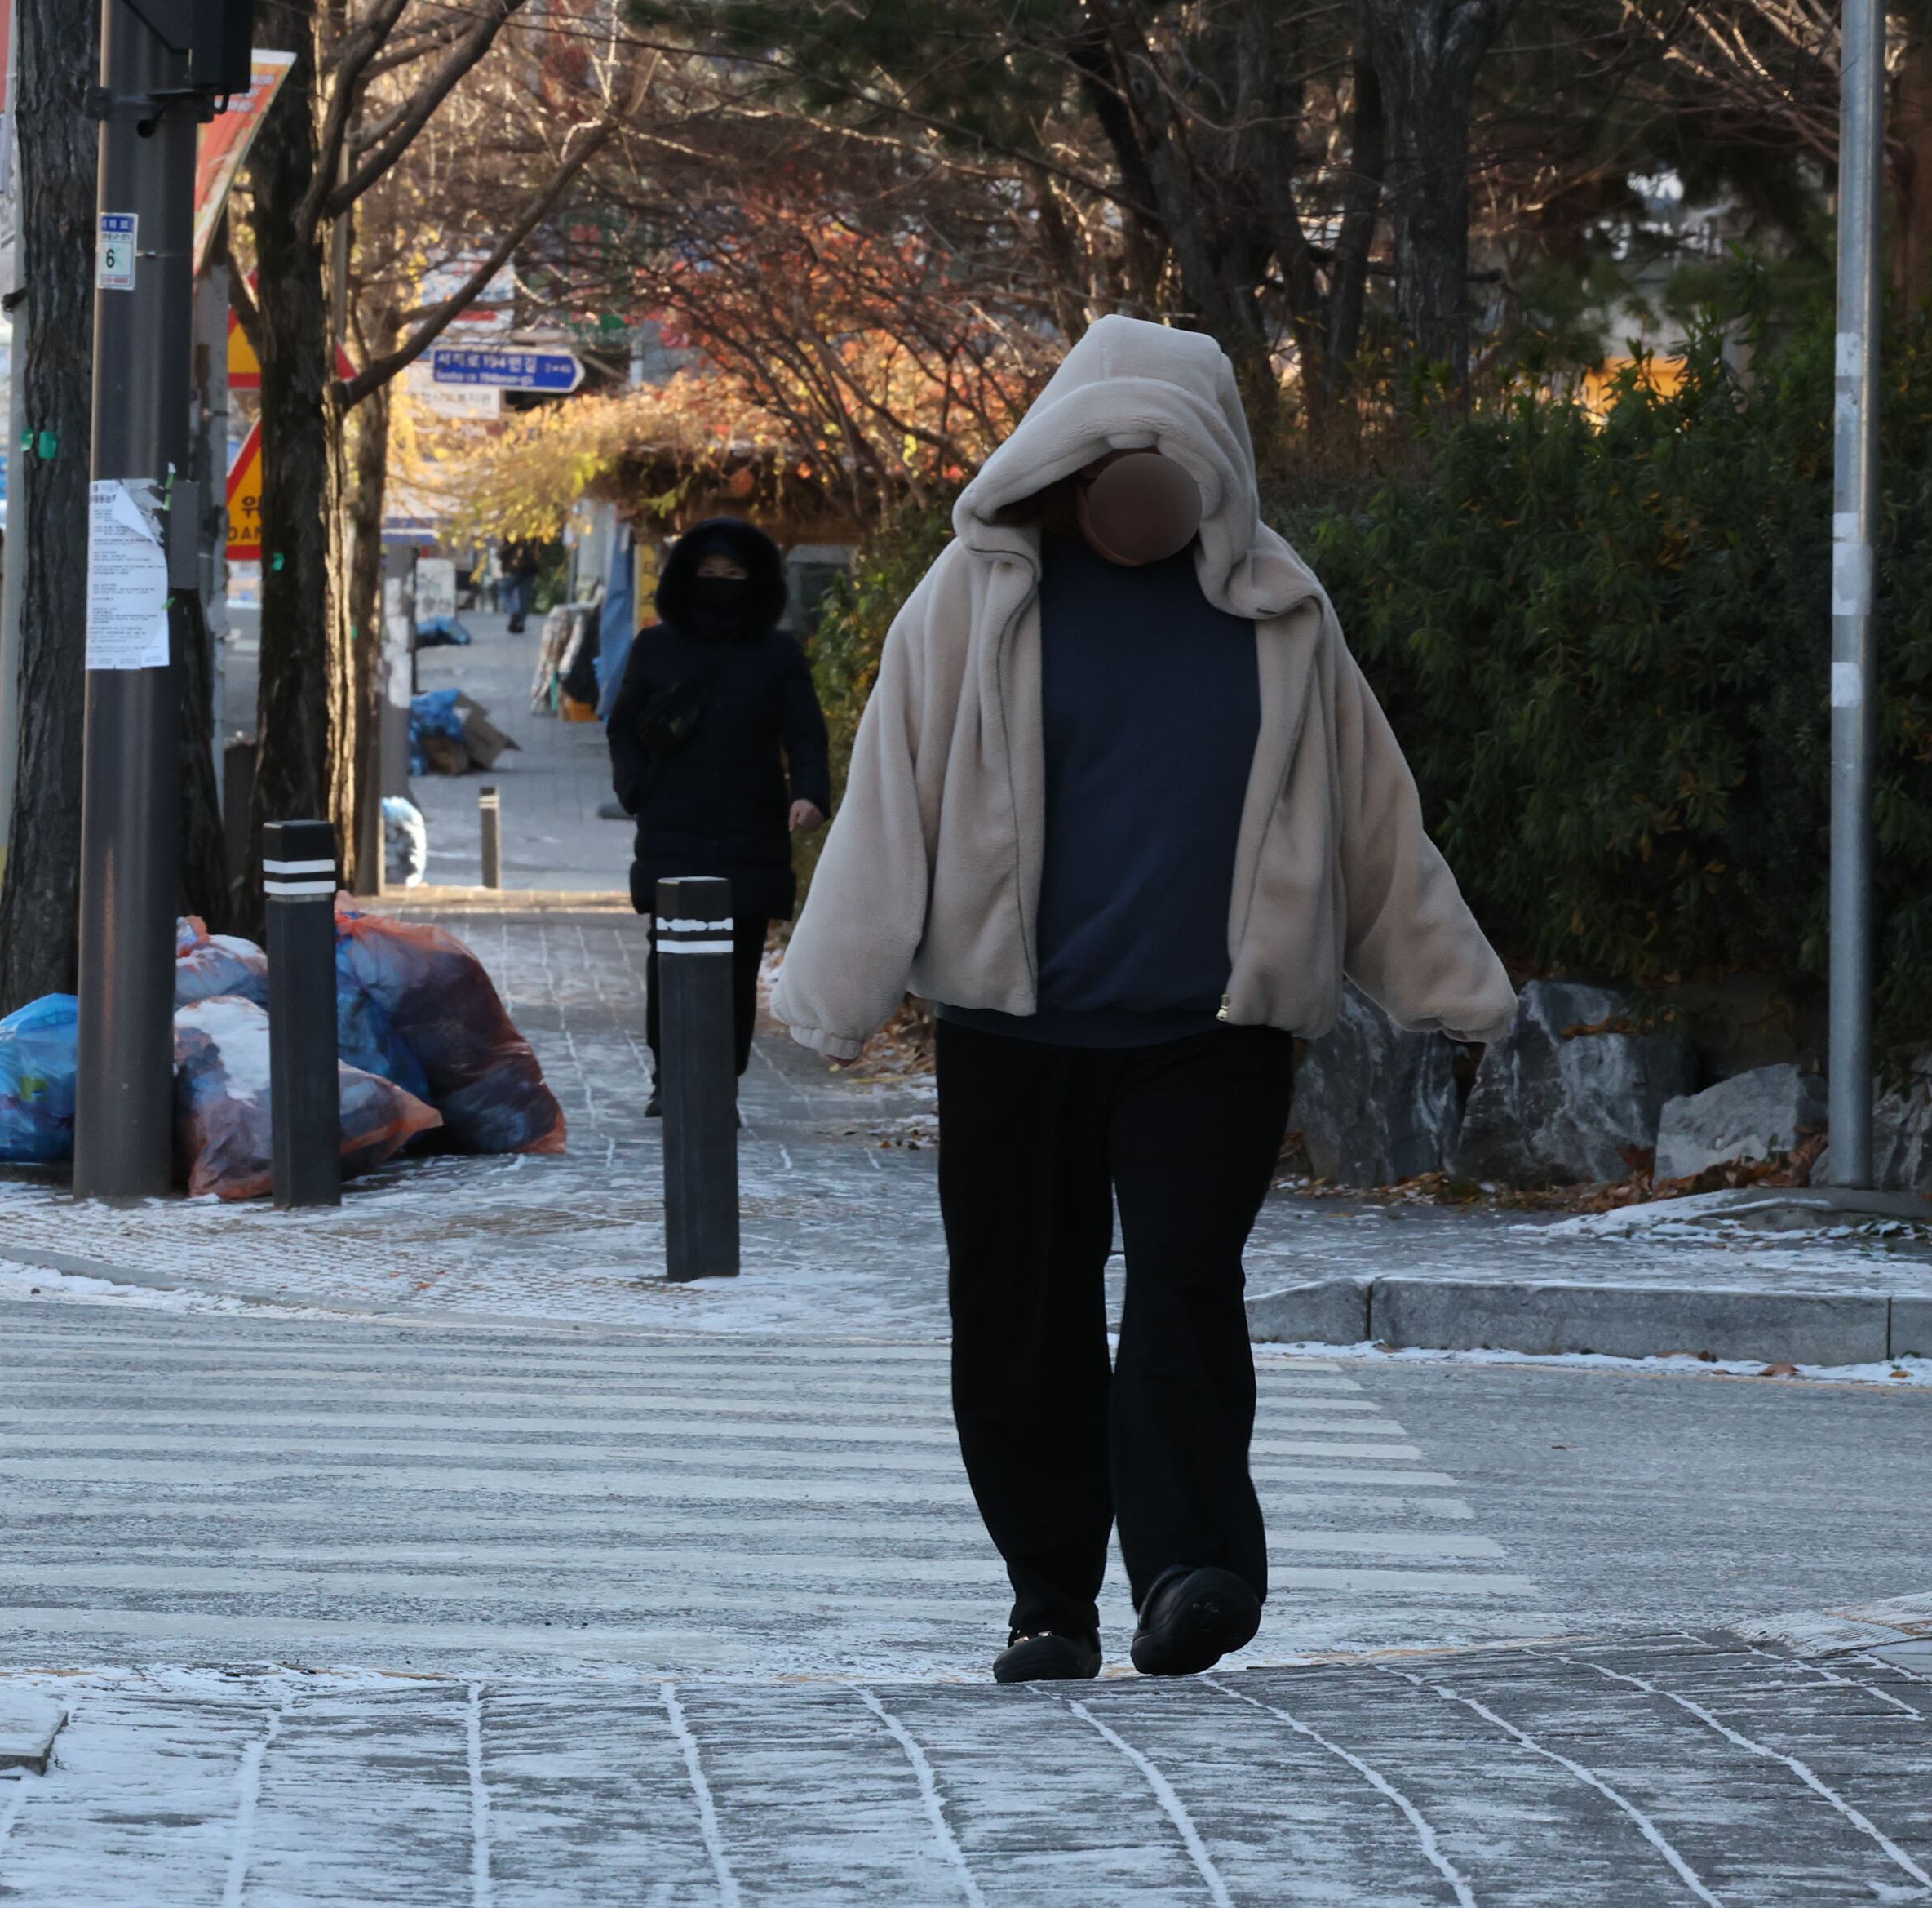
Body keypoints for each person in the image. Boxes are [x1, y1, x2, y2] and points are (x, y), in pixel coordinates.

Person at [769, 317, 1513, 1684]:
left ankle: (1192, 1569)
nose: (1138, 516)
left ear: (1212, 484)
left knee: (1181, 1289)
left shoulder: (1279, 613)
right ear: (1063, 470)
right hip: (1010, 1029)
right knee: (1018, 1308)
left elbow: (1368, 818)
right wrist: (830, 993)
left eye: (1166, 494)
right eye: (1115, 488)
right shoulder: (971, 597)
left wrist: (1444, 984)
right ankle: (1047, 1595)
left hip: (1208, 1032)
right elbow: (891, 799)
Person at [607, 517, 829, 1116]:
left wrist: (808, 794)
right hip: (671, 822)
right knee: (672, 952)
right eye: (708, 573)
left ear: (757, 583)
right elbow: (623, 725)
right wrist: (635, 788)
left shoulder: (777, 654)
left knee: (739, 959)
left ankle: (720, 1082)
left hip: (753, 824)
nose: (720, 584)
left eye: (734, 575)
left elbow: (805, 733)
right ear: (686, 578)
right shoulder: (655, 647)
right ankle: (670, 1075)